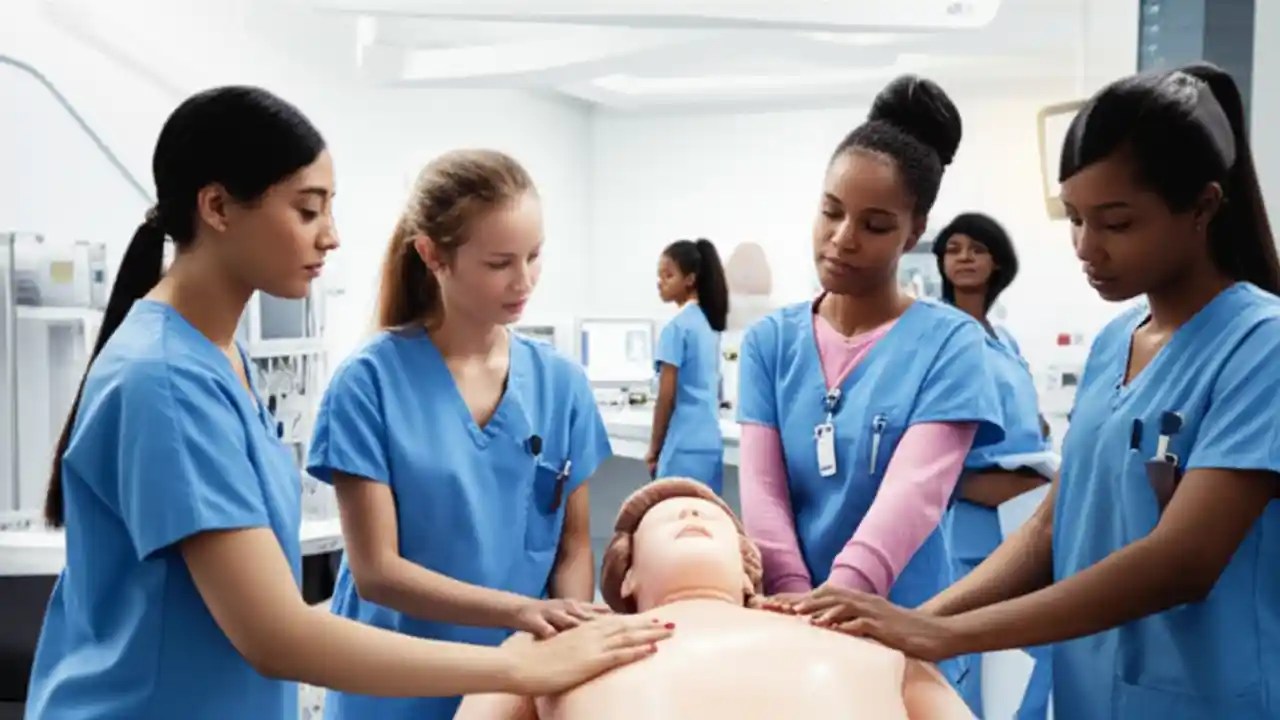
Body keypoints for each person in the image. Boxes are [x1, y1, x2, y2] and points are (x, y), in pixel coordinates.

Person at [24, 88, 672, 720]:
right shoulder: (165, 383)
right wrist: (516, 662)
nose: (331, 237)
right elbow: (277, 636)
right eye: (307, 211)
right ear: (218, 207)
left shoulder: (218, 361)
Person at [773, 63, 1280, 720]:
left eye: (1116, 223)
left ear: (1203, 207)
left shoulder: (1260, 345)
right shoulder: (1114, 344)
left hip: (1206, 701)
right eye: (1074, 219)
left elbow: (1183, 560)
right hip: (1089, 697)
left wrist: (947, 634)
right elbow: (1051, 527)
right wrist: (909, 622)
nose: (1085, 248)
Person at [306, 149, 619, 720]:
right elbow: (377, 572)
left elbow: (572, 548)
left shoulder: (561, 385)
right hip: (393, 685)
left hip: (513, 689)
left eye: (534, 256)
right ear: (432, 255)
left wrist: (566, 639)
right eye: (499, 263)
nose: (523, 280)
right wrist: (520, 612)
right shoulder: (369, 384)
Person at [735, 74, 1005, 691]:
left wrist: (842, 598)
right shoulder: (771, 342)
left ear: (914, 233)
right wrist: (793, 601)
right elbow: (764, 493)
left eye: (875, 225)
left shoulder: (950, 343)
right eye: (831, 211)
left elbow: (913, 495)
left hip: (899, 628)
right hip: (788, 623)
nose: (841, 238)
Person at [453, 478, 975, 719]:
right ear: (627, 578)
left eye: (711, 519)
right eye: (666, 520)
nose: (690, 515)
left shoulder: (852, 632)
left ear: (751, 575)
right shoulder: (557, 646)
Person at [931, 213, 1053, 718]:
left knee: (1030, 657)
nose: (963, 257)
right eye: (953, 248)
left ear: (997, 261)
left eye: (975, 248)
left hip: (1026, 514)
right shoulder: (938, 336)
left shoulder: (1004, 339)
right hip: (972, 516)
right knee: (971, 668)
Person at [646, 238, 730, 493]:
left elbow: (666, 397)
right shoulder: (708, 326)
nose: (661, 281)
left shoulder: (676, 328)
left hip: (682, 446)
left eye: (668, 275)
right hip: (709, 445)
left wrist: (653, 449)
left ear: (690, 279)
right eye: (659, 275)